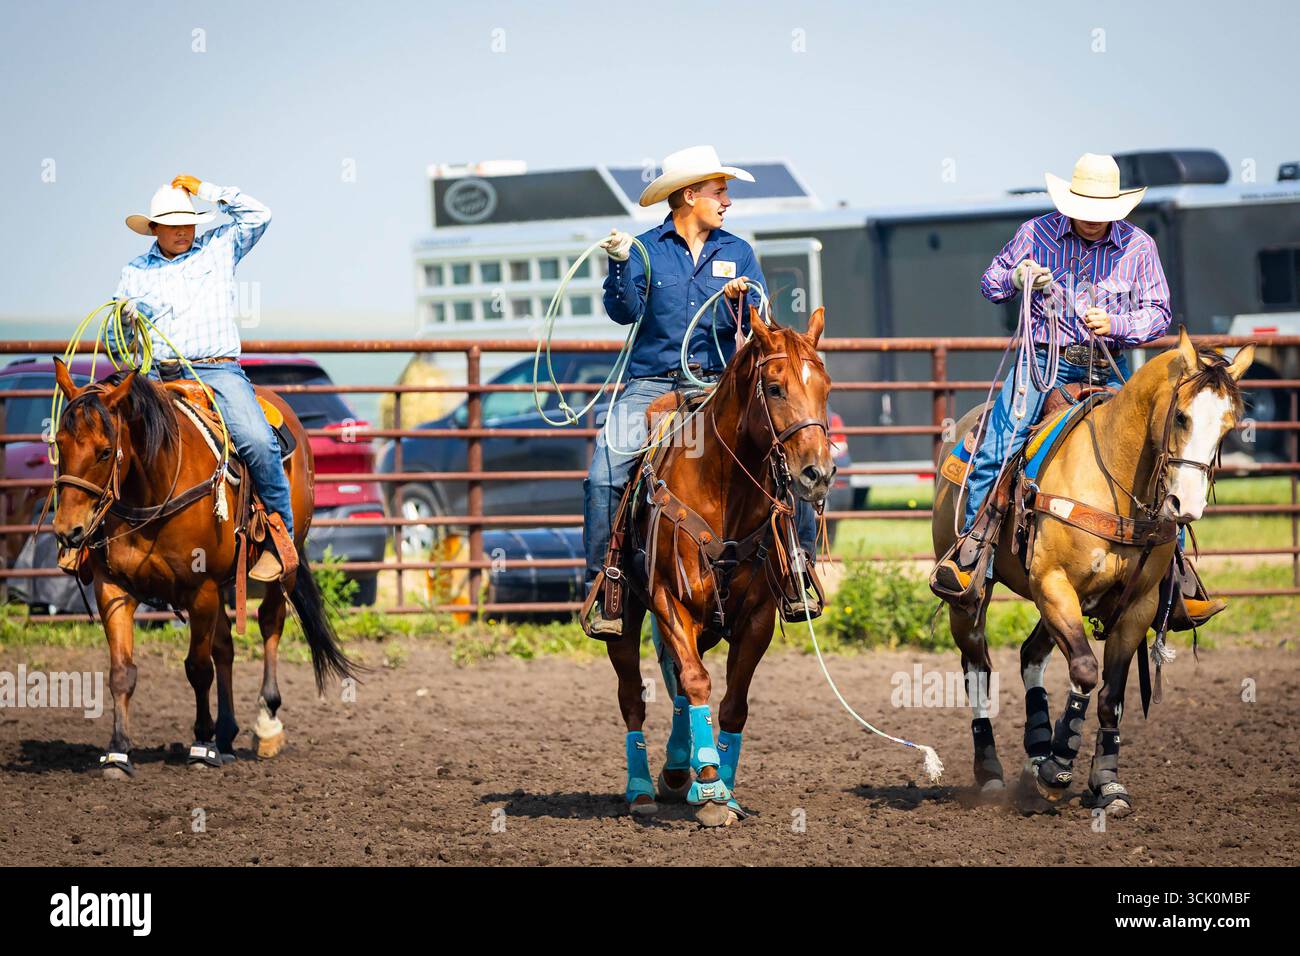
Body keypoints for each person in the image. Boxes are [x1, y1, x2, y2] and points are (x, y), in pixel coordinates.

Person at [583, 145, 818, 637]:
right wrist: (621, 265)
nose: (727, 201)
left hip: (714, 385)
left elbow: (760, 326)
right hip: (650, 384)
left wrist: (741, 303)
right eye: (719, 192)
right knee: (605, 473)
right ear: (689, 196)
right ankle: (608, 585)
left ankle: (797, 570)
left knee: (786, 458)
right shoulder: (645, 249)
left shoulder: (738, 253)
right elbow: (624, 312)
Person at [933, 152, 1171, 598]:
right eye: (1086, 210)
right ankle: (971, 553)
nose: (1093, 220)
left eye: (1102, 212)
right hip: (1042, 360)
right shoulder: (1035, 233)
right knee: (998, 446)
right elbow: (990, 282)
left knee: (1156, 452)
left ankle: (1171, 576)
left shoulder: (1139, 247)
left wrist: (1118, 325)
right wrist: (1018, 278)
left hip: (1108, 362)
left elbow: (1159, 312)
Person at [114, 175, 295, 582]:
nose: (182, 230)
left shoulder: (218, 247)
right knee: (99, 435)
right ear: (154, 227)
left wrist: (207, 190)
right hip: (153, 375)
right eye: (172, 223)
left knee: (256, 439)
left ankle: (280, 542)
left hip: (216, 370)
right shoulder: (134, 272)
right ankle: (91, 541)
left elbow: (259, 214)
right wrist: (124, 323)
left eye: (188, 220)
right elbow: (117, 339)